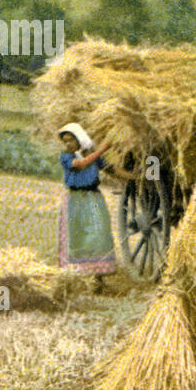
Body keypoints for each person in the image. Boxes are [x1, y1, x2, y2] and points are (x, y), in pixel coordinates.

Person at [56, 122, 117, 290]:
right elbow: (81, 165)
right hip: (75, 199)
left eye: (71, 140)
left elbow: (111, 171)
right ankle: (77, 277)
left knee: (99, 233)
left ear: (79, 140)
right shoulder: (66, 157)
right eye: (65, 141)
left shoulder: (93, 156)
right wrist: (103, 149)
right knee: (77, 236)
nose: (67, 144)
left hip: (93, 198)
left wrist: (135, 178)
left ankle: (98, 277)